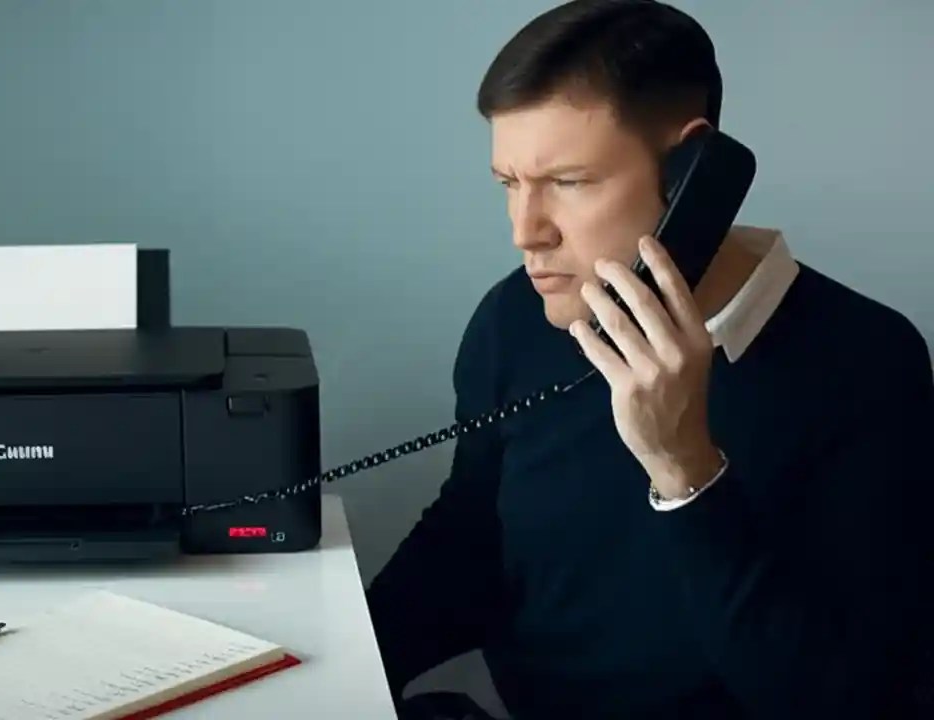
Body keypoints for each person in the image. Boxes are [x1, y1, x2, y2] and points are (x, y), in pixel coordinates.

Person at [363, 1, 934, 719]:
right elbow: (471, 539)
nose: (525, 232)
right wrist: (315, 672)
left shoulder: (867, 363)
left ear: (694, 171)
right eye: (509, 184)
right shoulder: (517, 317)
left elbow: (847, 697)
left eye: (568, 183)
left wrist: (687, 471)